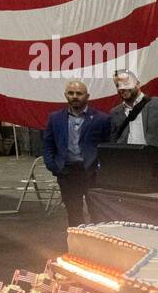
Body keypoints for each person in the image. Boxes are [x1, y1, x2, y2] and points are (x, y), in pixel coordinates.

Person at [41, 80, 111, 226]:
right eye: (71, 93)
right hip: (67, 173)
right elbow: (48, 144)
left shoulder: (101, 119)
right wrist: (53, 166)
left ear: (87, 96)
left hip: (91, 173)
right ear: (65, 95)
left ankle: (99, 245)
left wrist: (101, 169)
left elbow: (108, 147)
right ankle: (77, 246)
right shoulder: (55, 118)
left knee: (97, 212)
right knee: (73, 213)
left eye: (79, 93)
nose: (74, 96)